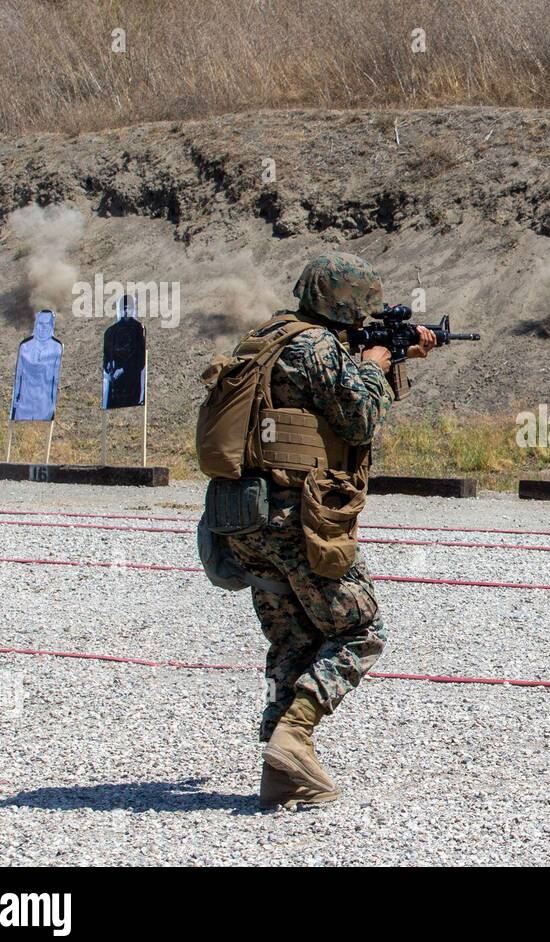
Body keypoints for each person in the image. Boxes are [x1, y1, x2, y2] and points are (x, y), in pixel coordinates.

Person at [218, 252, 435, 810]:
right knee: (360, 629)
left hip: (245, 515)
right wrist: (379, 361)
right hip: (297, 518)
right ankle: (295, 735)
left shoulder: (270, 336)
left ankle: (281, 766)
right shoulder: (316, 347)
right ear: (349, 303)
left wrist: (389, 358)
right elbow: (359, 416)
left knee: (293, 638)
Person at [11, 310, 64, 421]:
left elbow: (54, 381)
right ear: (36, 325)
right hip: (24, 403)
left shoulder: (56, 347)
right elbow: (19, 376)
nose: (43, 328)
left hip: (44, 403)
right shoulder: (25, 346)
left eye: (46, 324)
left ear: (51, 326)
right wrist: (15, 402)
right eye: (41, 324)